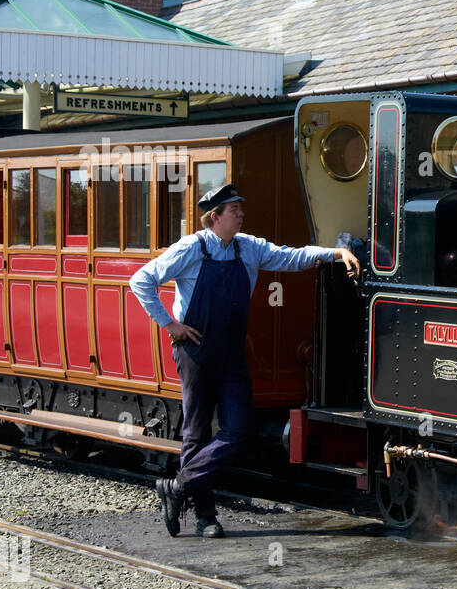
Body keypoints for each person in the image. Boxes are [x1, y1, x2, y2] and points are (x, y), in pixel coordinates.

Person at [130, 184, 361, 537]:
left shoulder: (248, 247)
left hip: (232, 351)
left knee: (237, 430)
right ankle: (206, 515)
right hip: (196, 351)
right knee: (196, 431)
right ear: (215, 217)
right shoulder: (192, 247)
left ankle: (178, 487)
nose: (241, 214)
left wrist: (334, 253)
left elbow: (291, 257)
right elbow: (141, 280)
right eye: (234, 209)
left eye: (241, 208)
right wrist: (171, 324)